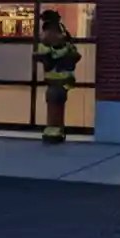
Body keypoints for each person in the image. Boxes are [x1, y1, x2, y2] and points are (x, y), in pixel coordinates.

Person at [34, 9, 81, 144]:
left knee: (55, 101)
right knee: (55, 101)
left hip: (58, 82)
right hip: (57, 82)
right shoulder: (58, 41)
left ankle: (55, 129)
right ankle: (54, 129)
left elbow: (72, 55)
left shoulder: (55, 40)